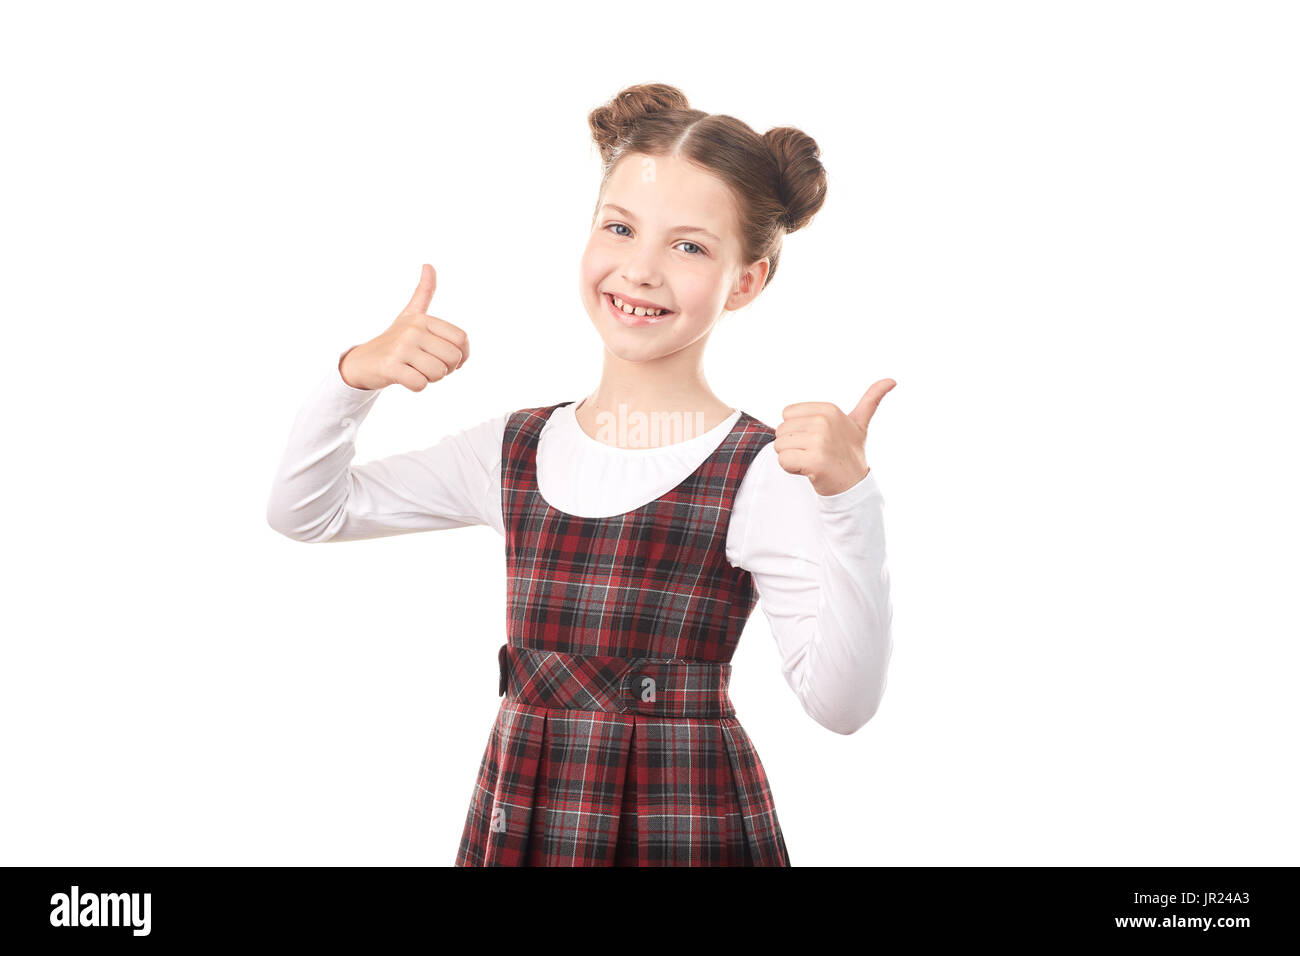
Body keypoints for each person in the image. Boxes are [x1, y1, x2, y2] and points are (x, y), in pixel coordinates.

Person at [266, 82, 895, 866]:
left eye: (689, 245)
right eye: (620, 228)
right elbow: (306, 511)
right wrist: (354, 379)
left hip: (684, 828)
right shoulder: (513, 449)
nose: (640, 269)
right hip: (526, 816)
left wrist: (849, 500)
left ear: (746, 281)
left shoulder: (765, 473)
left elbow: (841, 707)